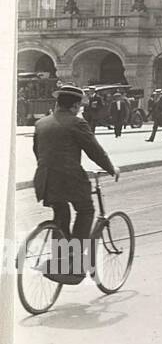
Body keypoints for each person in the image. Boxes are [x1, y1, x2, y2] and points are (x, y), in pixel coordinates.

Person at [32, 85, 119, 281]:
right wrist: (111, 168)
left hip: (45, 179)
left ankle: (59, 261)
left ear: (57, 103)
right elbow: (94, 150)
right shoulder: (76, 123)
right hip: (69, 179)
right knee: (86, 210)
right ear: (74, 106)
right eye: (79, 106)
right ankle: (76, 265)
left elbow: (38, 152)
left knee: (60, 215)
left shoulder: (41, 123)